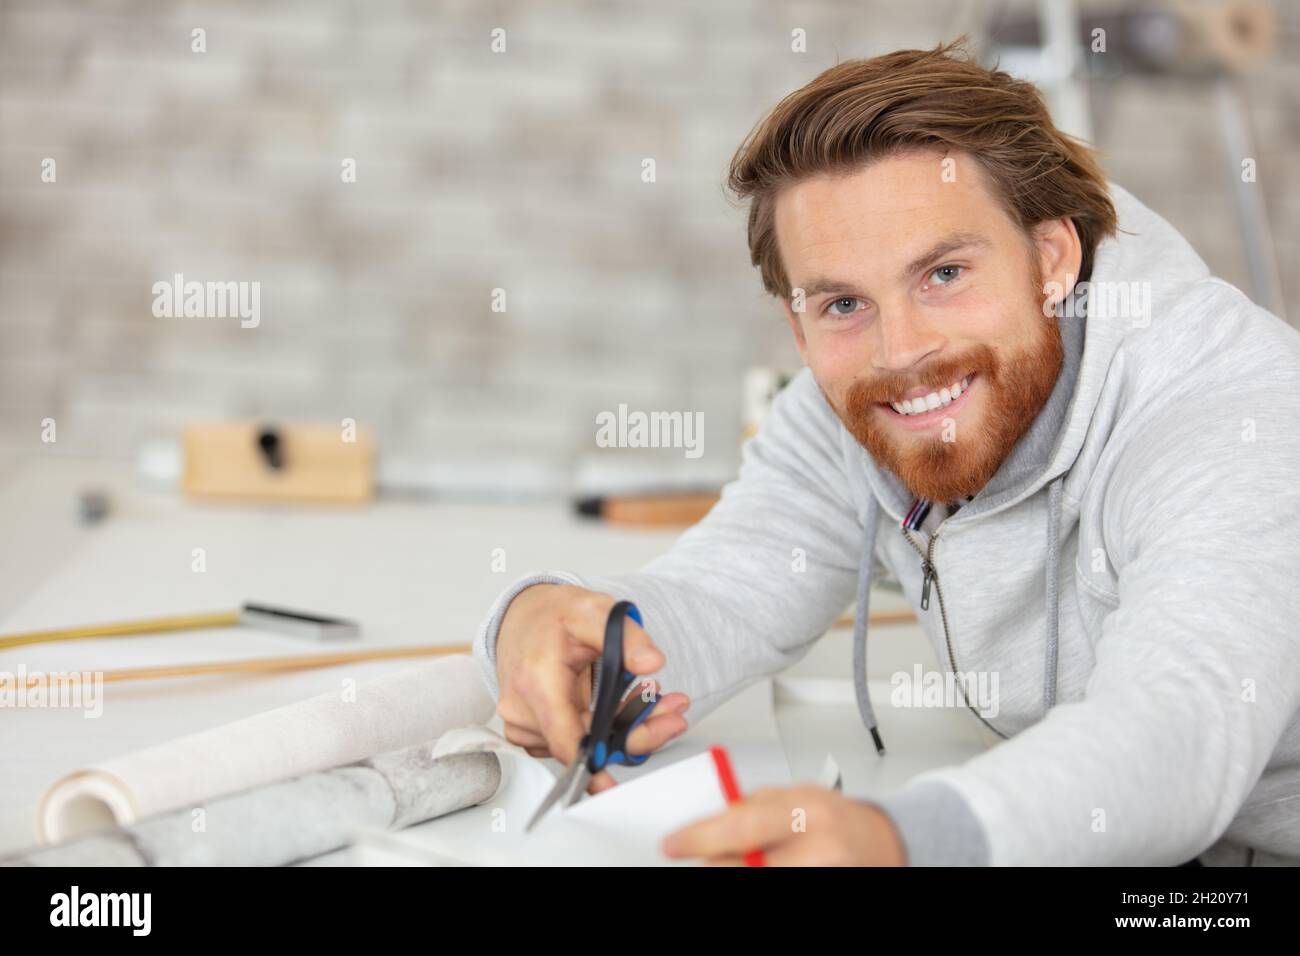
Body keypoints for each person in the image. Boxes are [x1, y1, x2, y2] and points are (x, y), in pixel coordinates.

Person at [472, 39, 1300, 866]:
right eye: (843, 304)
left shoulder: (1228, 414)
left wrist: (902, 841)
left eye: (943, 273)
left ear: (1051, 259)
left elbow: (1178, 731)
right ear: (798, 327)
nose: (901, 351)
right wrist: (553, 625)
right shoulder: (849, 408)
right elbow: (730, 591)